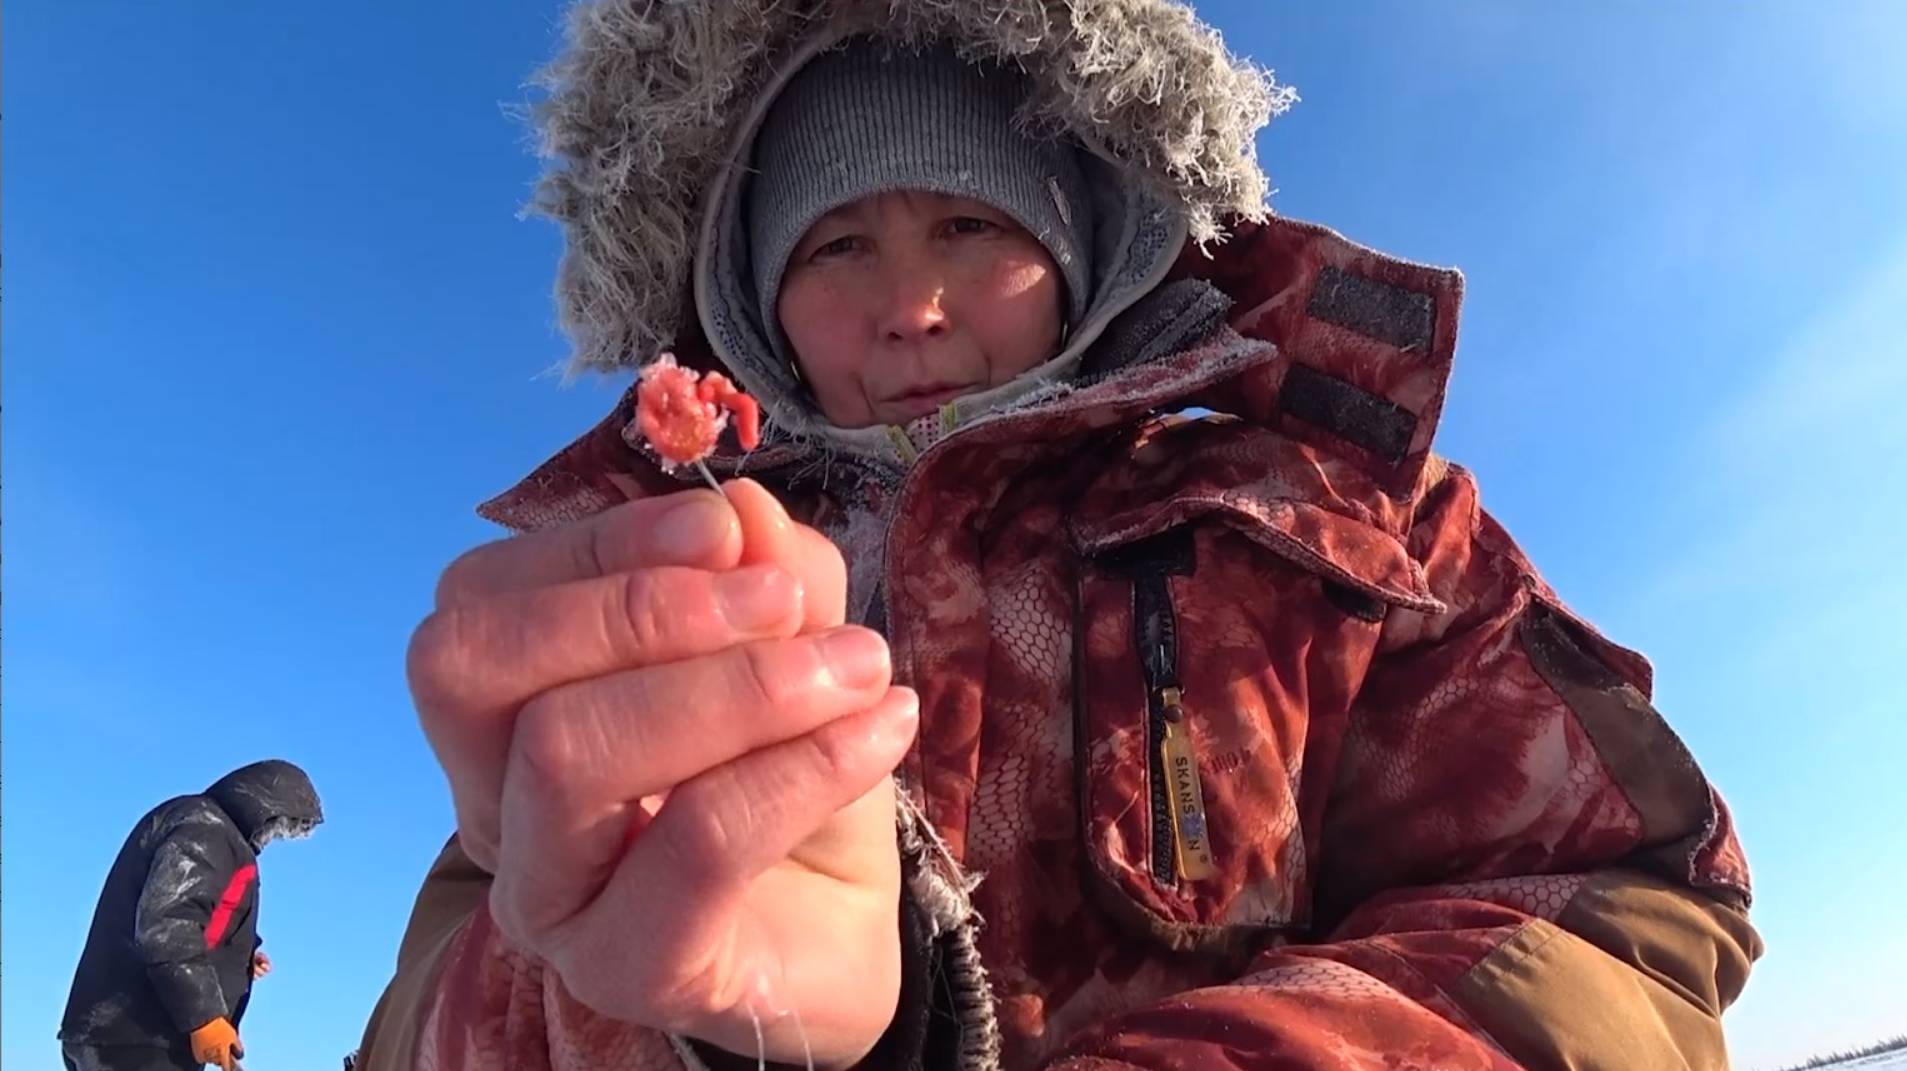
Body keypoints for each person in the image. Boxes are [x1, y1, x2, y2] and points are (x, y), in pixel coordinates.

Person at [359, 2, 1762, 1068]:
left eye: (968, 223)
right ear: (743, 304)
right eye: (833, 246)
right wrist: (708, 1017)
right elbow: (422, 1018)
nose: (907, 303)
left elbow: (1625, 909)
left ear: (1081, 240)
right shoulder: (656, 605)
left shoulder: (1343, 518)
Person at [60, 759, 324, 1071]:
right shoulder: (207, 829)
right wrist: (204, 1017)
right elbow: (168, 925)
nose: (273, 836)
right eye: (279, 825)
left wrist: (241, 960)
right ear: (263, 804)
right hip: (139, 1035)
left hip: (126, 1032)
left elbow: (198, 919)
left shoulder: (207, 829)